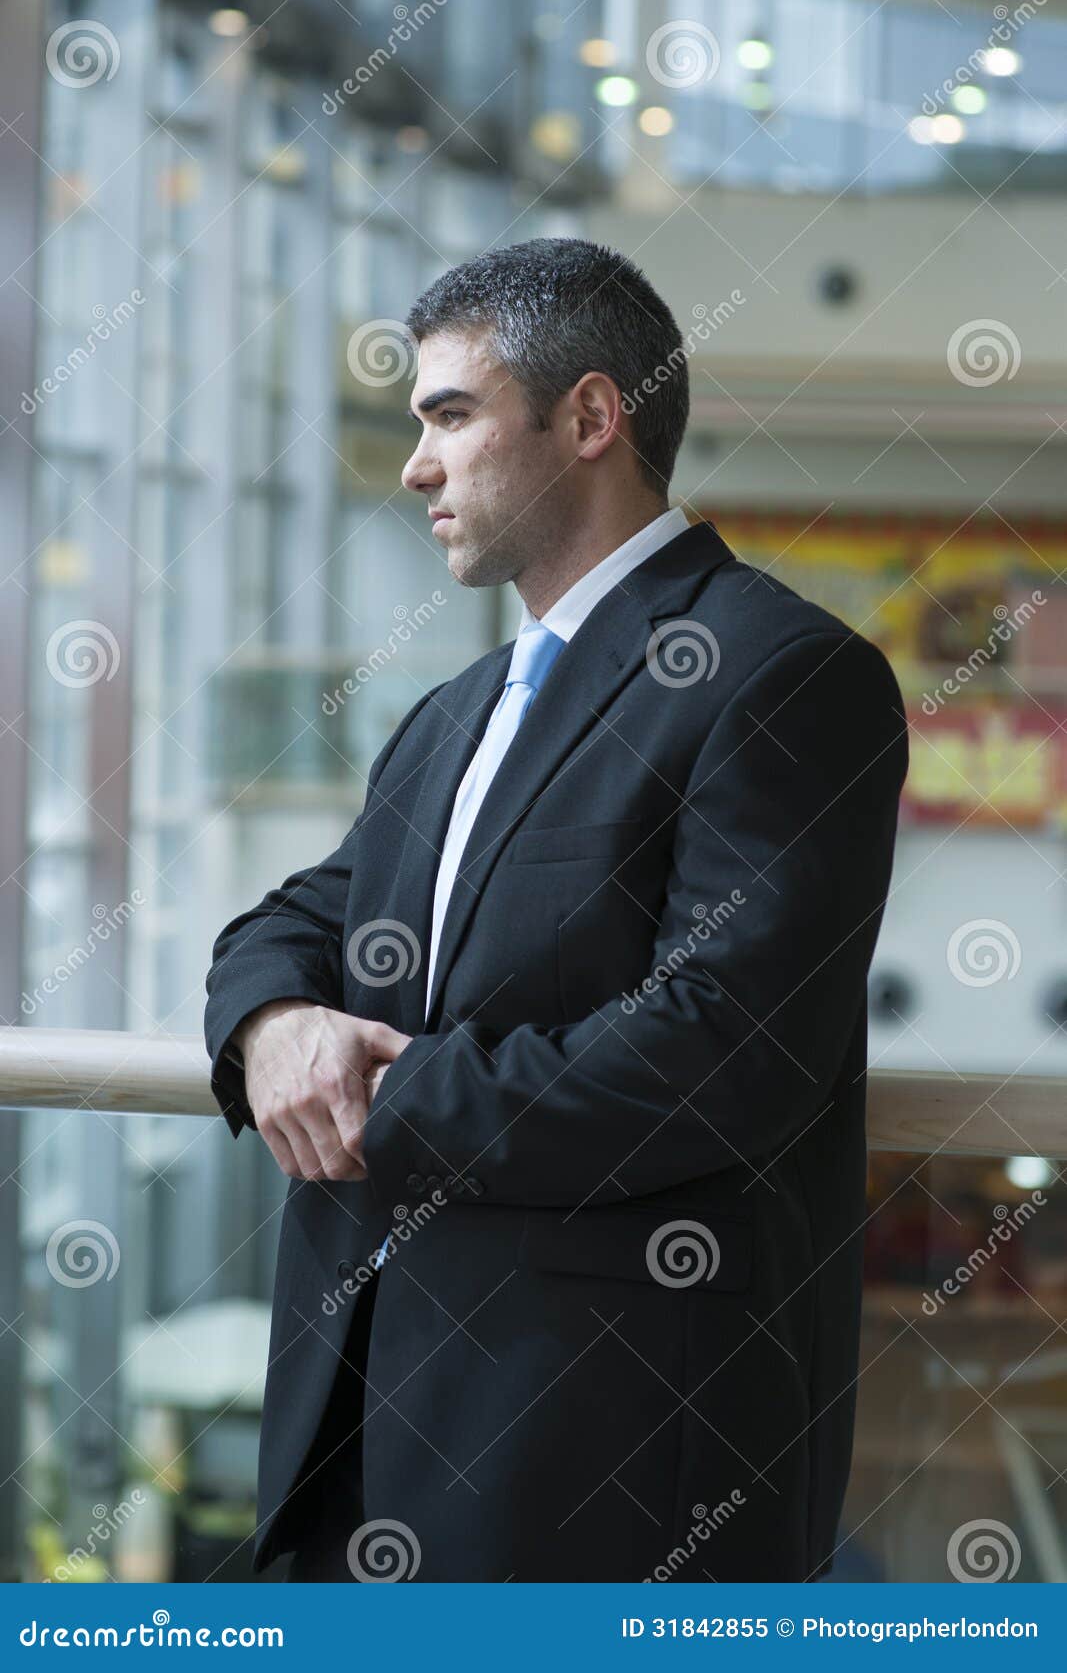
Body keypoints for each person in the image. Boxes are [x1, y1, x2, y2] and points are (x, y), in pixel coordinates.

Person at [203, 237, 909, 1582]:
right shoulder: (454, 717)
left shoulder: (782, 674)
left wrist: (379, 1105)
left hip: (603, 1472)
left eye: (451, 415)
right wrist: (280, 1022)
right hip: (355, 1448)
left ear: (590, 417)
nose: (418, 465)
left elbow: (721, 1051)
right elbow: (298, 918)